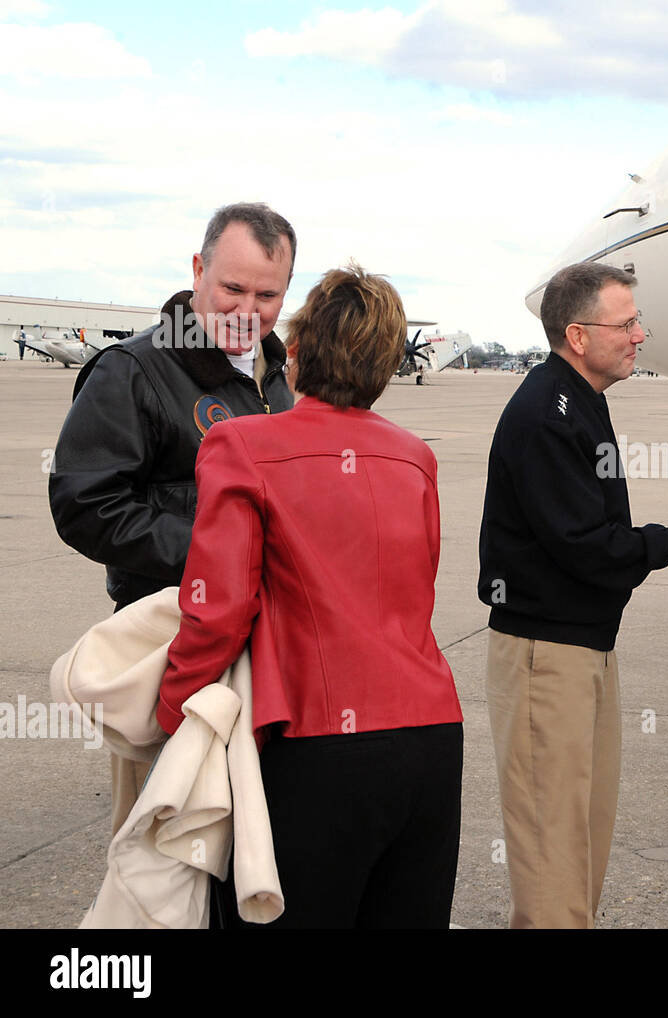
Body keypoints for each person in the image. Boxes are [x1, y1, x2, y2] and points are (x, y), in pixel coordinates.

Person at [156, 264, 463, 928]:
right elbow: (415, 592)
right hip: (432, 737)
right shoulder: (415, 457)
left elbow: (218, 607)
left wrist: (173, 714)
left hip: (314, 745)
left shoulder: (241, 443)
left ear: (294, 351)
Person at [477, 261, 668, 929]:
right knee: (553, 870)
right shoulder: (545, 412)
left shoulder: (579, 398)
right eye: (625, 324)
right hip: (546, 657)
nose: (640, 335)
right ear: (577, 335)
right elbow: (590, 550)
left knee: (580, 850)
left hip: (582, 650)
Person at [48, 201, 297, 840]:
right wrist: (217, 558)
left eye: (267, 295)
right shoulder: (132, 370)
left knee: (254, 850)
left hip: (268, 648)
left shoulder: (281, 376)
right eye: (231, 288)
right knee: (165, 854)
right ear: (197, 271)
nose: (247, 311)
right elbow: (87, 504)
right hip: (176, 645)